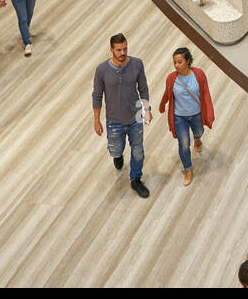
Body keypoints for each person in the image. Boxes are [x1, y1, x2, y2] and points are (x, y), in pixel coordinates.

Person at [92, 33, 151, 199]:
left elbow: (143, 88)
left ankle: (136, 179)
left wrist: (147, 109)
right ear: (111, 50)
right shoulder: (102, 70)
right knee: (115, 150)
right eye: (118, 50)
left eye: (125, 48)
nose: (123, 52)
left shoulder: (137, 64)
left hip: (135, 117)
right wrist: (96, 121)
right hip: (114, 121)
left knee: (138, 151)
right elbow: (97, 96)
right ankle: (118, 156)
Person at [158, 47, 215, 186]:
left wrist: (209, 111)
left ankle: (197, 139)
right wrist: (162, 104)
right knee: (183, 145)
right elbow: (167, 93)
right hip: (179, 117)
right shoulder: (171, 78)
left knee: (199, 132)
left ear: (188, 61)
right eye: (175, 62)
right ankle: (188, 169)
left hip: (196, 114)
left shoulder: (199, 74)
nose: (176, 65)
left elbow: (205, 93)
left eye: (179, 62)